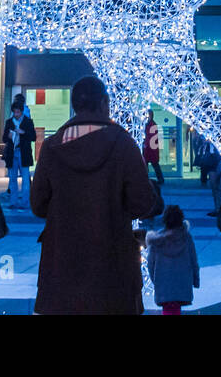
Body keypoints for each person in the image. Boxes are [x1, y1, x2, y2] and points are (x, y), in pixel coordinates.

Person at [29, 75, 155, 314]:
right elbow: (143, 203)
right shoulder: (123, 144)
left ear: (75, 105)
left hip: (62, 269)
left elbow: (38, 205)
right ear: (104, 103)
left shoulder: (52, 146)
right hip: (112, 270)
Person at [145, 204, 199, 314]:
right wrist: (195, 280)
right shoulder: (186, 237)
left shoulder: (157, 240)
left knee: (168, 309)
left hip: (164, 284)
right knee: (176, 308)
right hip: (182, 283)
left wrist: (155, 280)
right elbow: (194, 261)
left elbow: (150, 264)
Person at [1, 96, 35, 210]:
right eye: (15, 112)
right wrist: (8, 136)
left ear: (22, 111)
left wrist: (23, 132)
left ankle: (25, 202)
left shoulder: (27, 122)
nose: (16, 114)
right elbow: (4, 139)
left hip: (23, 153)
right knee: (12, 178)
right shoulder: (9, 122)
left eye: (18, 112)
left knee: (25, 179)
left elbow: (33, 137)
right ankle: (13, 202)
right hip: (12, 153)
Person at [143, 109, 164, 185]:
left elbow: (151, 137)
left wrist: (146, 144)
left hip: (151, 148)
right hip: (148, 148)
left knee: (153, 164)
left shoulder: (152, 125)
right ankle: (146, 179)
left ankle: (160, 179)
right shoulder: (149, 124)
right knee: (149, 164)